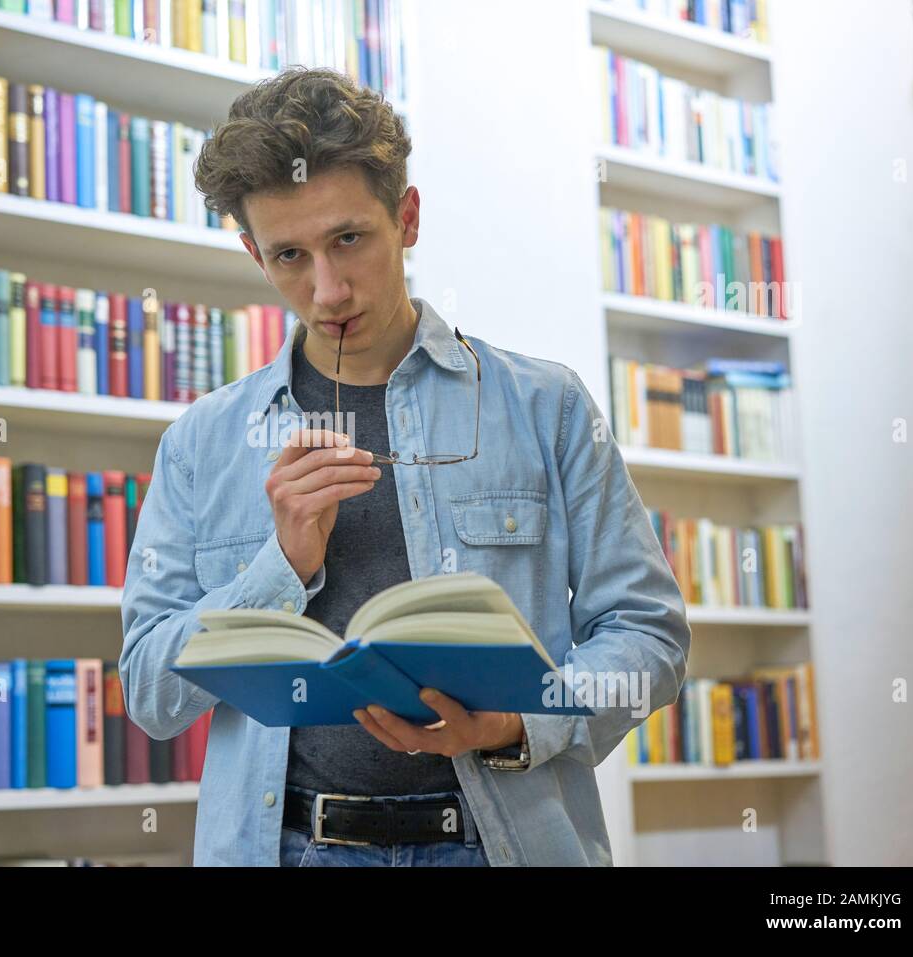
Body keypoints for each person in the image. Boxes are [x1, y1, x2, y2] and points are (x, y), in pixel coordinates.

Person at [119, 66, 690, 866]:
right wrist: (278, 568)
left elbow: (647, 633)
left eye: (349, 238)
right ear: (253, 253)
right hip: (289, 849)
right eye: (289, 255)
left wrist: (520, 722)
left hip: (501, 844)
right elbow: (150, 691)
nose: (327, 288)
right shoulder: (200, 443)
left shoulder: (547, 406)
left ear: (407, 217)